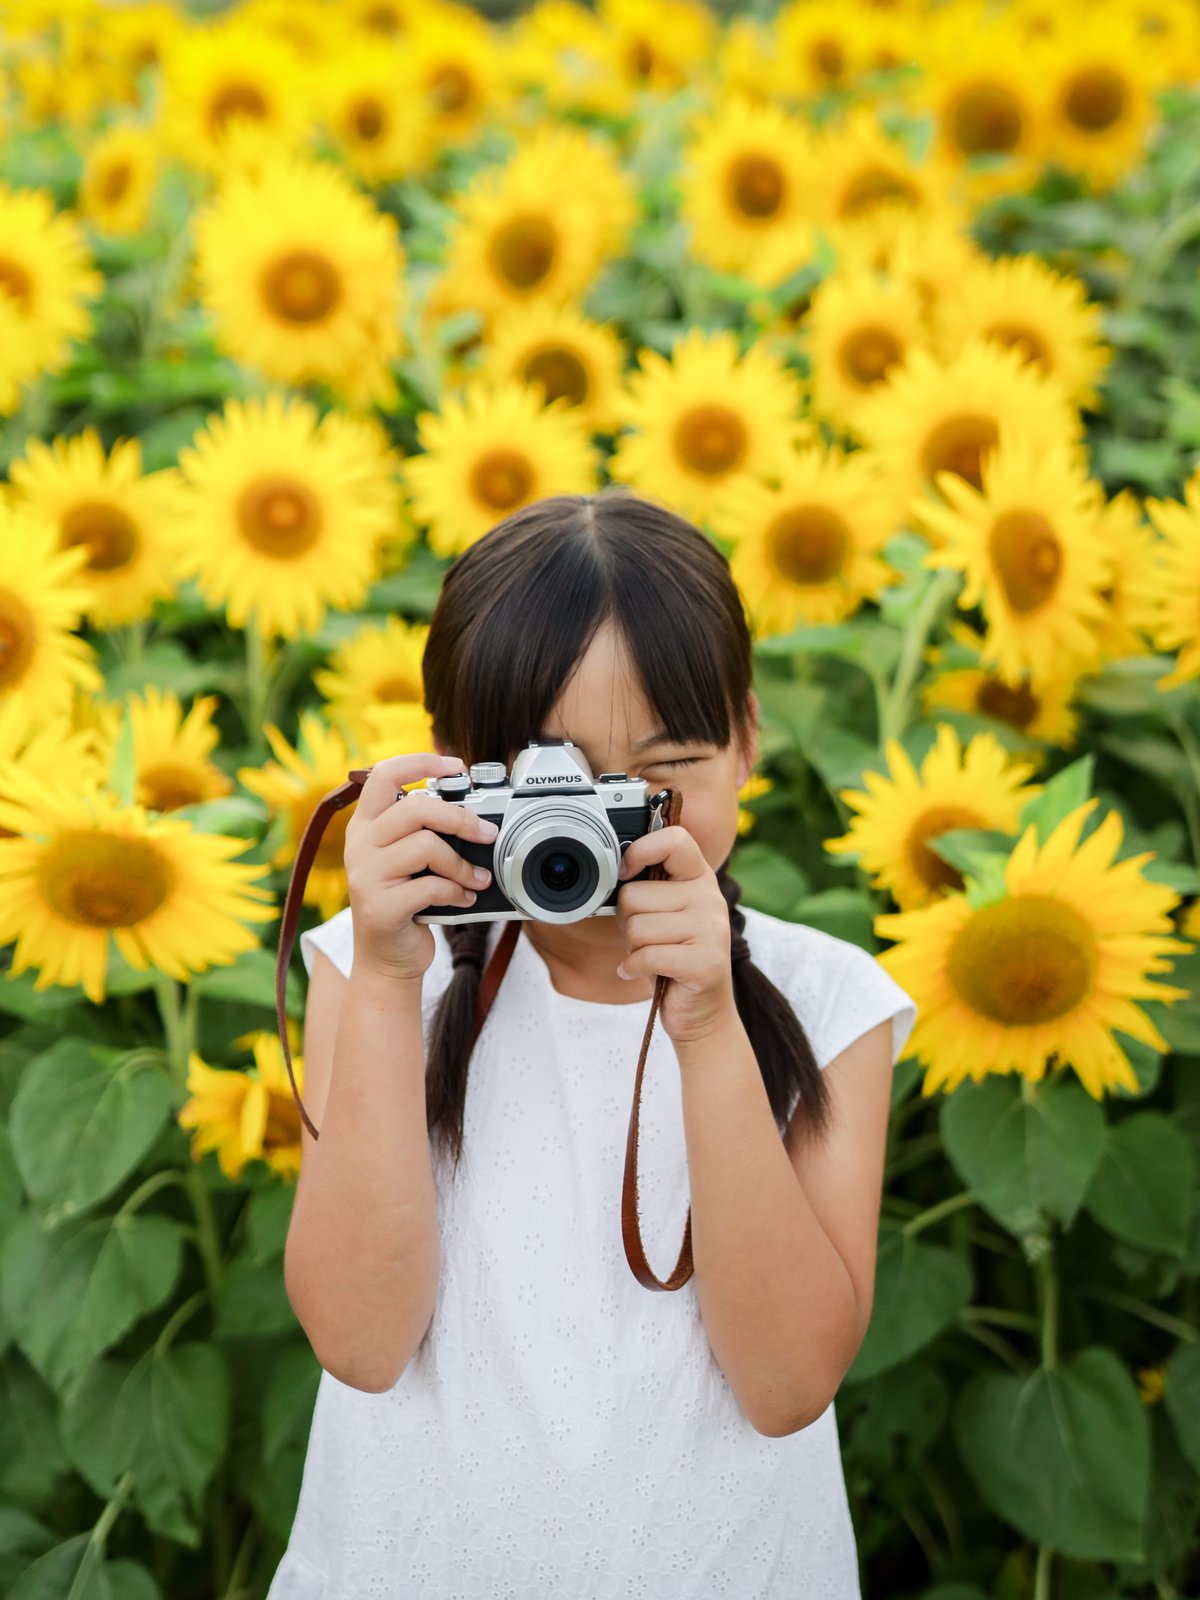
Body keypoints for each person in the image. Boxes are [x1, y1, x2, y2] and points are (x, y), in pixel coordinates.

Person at [269, 487, 917, 1599]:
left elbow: (788, 1381)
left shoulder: (825, 1001)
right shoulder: (378, 973)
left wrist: (709, 1025)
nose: (595, 836)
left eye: (660, 780)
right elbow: (361, 1343)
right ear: (453, 773)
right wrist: (385, 975)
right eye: (548, 785)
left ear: (748, 741)